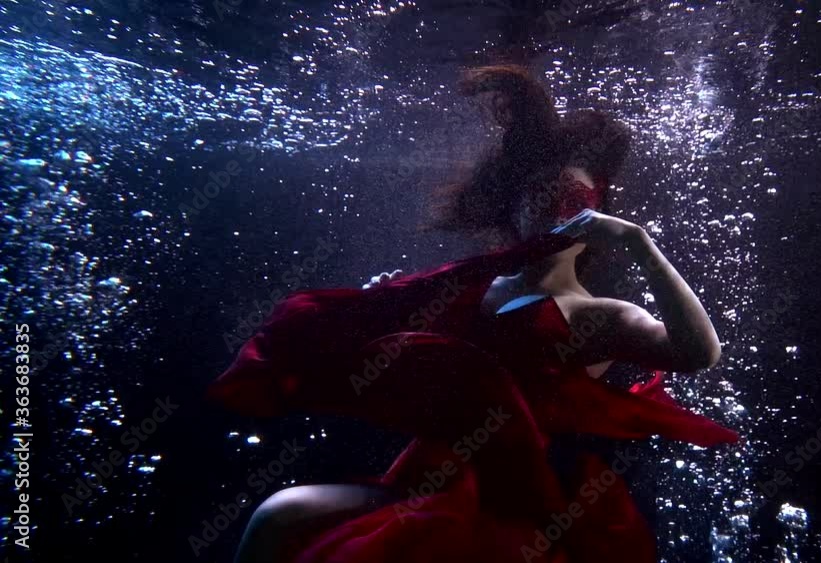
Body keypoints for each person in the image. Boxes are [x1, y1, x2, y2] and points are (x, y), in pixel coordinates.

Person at [207, 65, 738, 563]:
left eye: (572, 197)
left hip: (516, 503)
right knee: (278, 515)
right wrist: (372, 314)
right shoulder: (466, 288)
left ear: (598, 211)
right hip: (418, 478)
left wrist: (641, 246)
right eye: (537, 195)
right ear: (514, 204)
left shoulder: (597, 315)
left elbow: (699, 353)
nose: (553, 210)